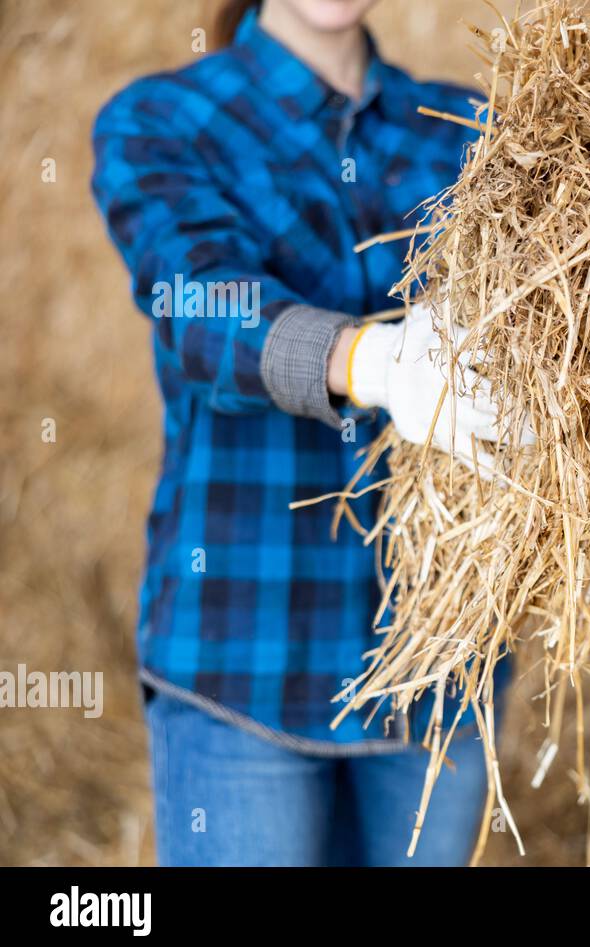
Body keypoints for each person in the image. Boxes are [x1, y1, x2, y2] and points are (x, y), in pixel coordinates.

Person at [91, 0, 512, 866]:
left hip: (441, 673)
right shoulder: (165, 118)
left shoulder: (474, 129)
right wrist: (376, 363)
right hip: (246, 653)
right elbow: (198, 306)